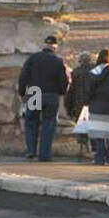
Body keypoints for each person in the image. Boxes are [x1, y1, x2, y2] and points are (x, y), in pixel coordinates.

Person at [17, 34, 71, 162]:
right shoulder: (58, 61)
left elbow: (23, 76)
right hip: (51, 94)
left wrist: (22, 92)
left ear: (44, 45)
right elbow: (64, 80)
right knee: (49, 123)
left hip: (35, 92)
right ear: (55, 47)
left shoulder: (33, 58)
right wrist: (62, 92)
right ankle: (45, 154)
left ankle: (31, 150)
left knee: (31, 121)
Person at [84, 48, 109, 166]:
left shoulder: (93, 73)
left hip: (96, 107)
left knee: (99, 135)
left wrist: (88, 103)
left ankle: (99, 158)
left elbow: (87, 91)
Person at [64, 51, 94, 160]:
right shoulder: (96, 72)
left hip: (79, 103)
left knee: (81, 126)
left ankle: (83, 147)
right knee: (93, 126)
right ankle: (93, 148)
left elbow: (71, 91)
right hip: (93, 103)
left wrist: (68, 105)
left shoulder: (76, 72)